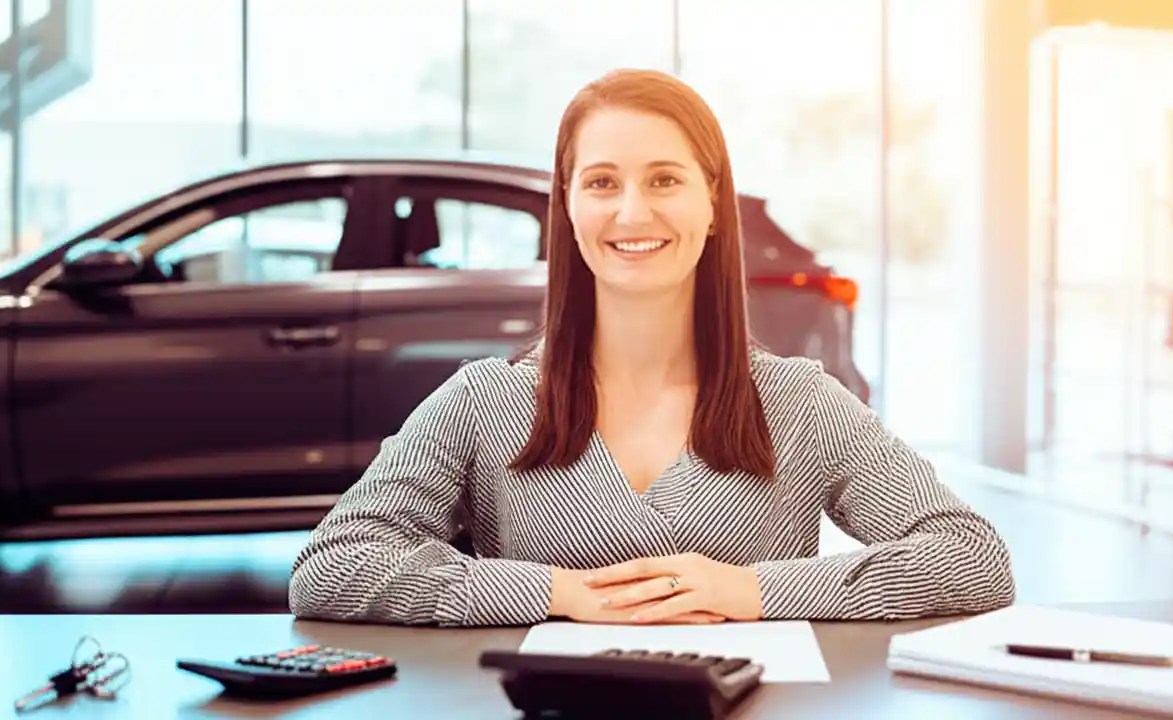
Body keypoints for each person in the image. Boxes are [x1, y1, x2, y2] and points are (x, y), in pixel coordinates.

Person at [288, 69, 1015, 627]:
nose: (632, 212)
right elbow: (332, 567)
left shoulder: (799, 403)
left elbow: (973, 558)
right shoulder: (487, 401)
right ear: (568, 207)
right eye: (602, 182)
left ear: (710, 203)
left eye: (664, 179)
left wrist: (751, 590)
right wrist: (560, 593)